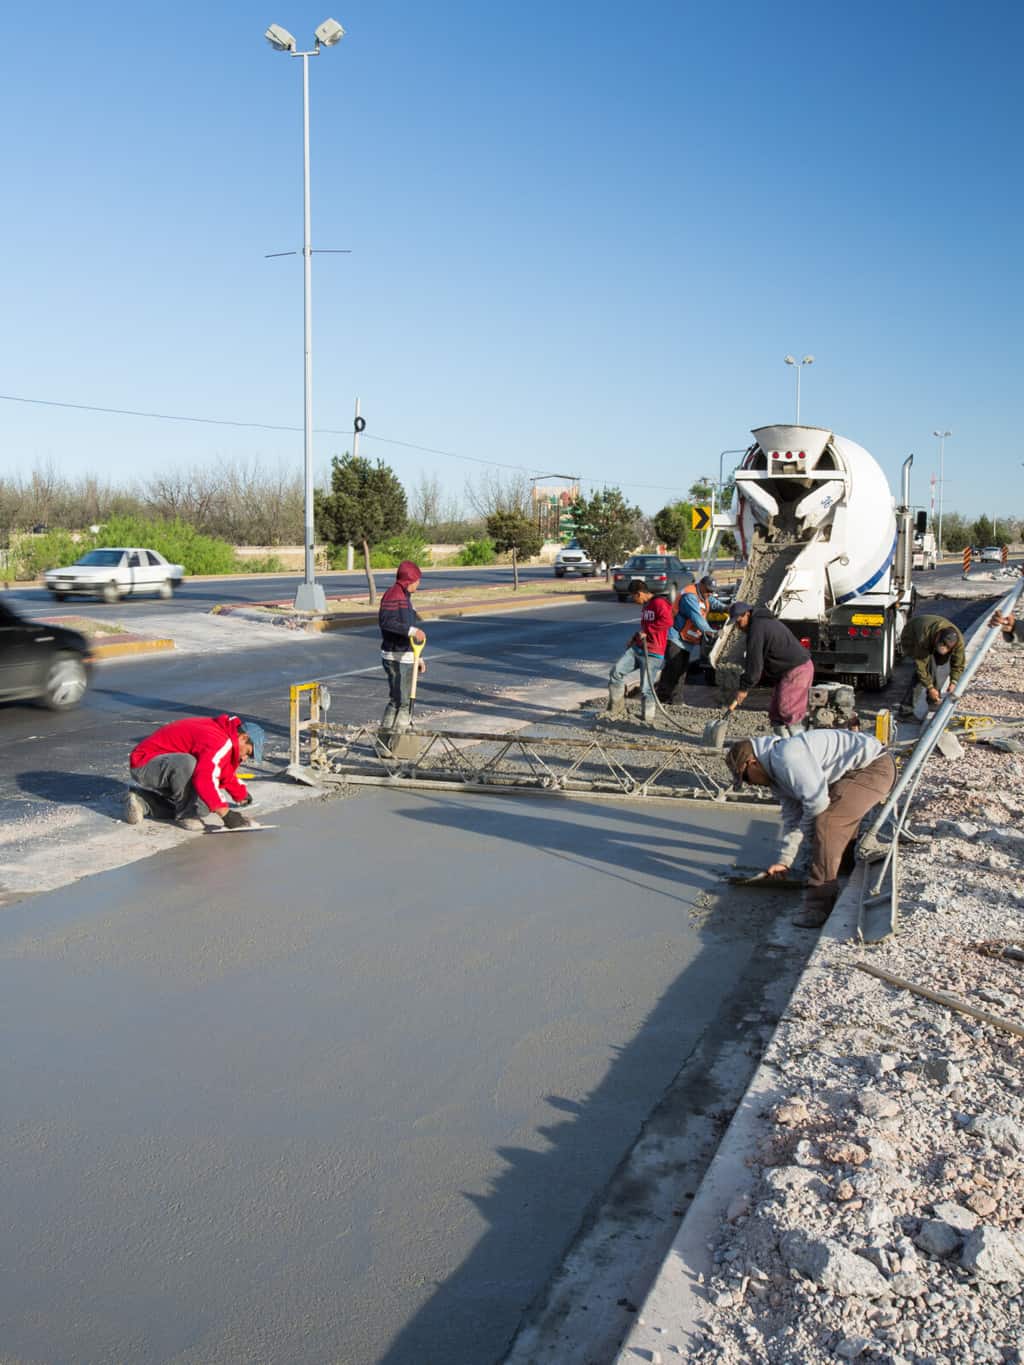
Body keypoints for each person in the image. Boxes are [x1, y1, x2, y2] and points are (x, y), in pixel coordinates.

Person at [726, 729, 896, 929]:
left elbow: (816, 803)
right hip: (853, 772)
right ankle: (843, 867)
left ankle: (818, 905)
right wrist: (785, 860)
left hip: (874, 768)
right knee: (832, 819)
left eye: (746, 777)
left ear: (751, 762)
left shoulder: (788, 757)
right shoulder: (776, 779)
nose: (750, 784)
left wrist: (810, 834)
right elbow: (793, 820)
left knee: (827, 821)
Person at [125, 714, 265, 831]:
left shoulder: (227, 738)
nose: (245, 758)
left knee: (202, 808)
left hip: (168, 768)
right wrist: (226, 814)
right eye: (248, 752)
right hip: (145, 763)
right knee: (188, 763)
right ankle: (187, 815)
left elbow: (222, 769)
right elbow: (204, 779)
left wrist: (240, 794)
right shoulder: (219, 739)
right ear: (243, 738)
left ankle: (143, 801)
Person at [725, 601, 814, 736]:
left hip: (797, 669)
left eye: (739, 622)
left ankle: (801, 744)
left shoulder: (757, 629)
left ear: (747, 614)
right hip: (788, 670)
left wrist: (744, 688)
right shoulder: (761, 622)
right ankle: (782, 745)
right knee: (776, 713)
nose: (738, 627)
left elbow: (754, 664)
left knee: (789, 710)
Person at [607, 579, 674, 724]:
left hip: (653, 653)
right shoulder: (647, 605)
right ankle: (616, 709)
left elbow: (668, 621)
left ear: (639, 593)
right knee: (616, 672)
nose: (633, 599)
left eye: (633, 596)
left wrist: (647, 631)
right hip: (638, 649)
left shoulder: (659, 603)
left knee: (646, 689)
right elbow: (645, 628)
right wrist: (634, 638)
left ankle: (647, 720)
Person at [656, 575, 726, 706]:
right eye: (709, 590)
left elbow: (712, 602)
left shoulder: (704, 594)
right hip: (675, 637)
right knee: (673, 669)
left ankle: (676, 701)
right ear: (701, 585)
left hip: (686, 639)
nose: (710, 593)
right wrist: (710, 631)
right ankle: (661, 699)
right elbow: (696, 617)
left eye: (712, 590)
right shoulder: (689, 596)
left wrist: (726, 607)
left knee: (682, 672)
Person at [379, 559, 427, 736]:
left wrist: (418, 658)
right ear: (408, 580)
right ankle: (389, 742)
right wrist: (412, 631)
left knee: (401, 700)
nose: (418, 584)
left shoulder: (406, 598)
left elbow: (410, 634)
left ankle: (393, 742)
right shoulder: (394, 596)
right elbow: (386, 622)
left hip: (407, 656)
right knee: (399, 701)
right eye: (416, 580)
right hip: (395, 657)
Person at [899, 615, 965, 718]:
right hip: (912, 636)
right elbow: (921, 667)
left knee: (934, 668)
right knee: (923, 673)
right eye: (941, 647)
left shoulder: (958, 641)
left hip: (931, 640)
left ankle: (933, 700)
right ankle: (905, 712)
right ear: (938, 637)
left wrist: (954, 681)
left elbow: (959, 663)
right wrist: (930, 687)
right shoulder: (923, 637)